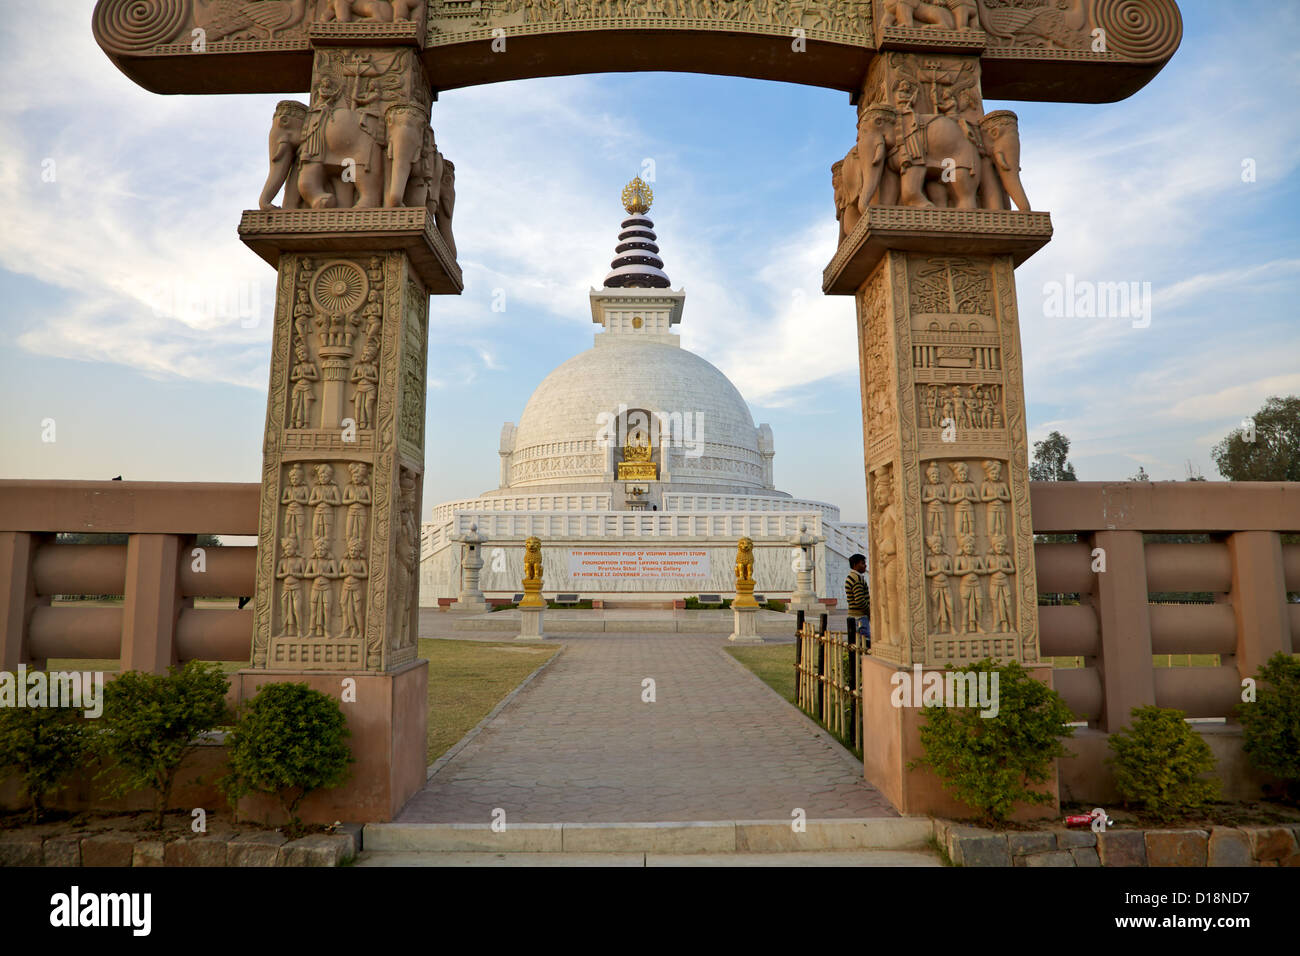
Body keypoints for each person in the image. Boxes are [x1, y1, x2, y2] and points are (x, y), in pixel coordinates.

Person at [845, 553, 871, 627]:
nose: (865, 566)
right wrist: (869, 612)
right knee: (865, 638)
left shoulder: (851, 577)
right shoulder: (857, 579)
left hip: (853, 615)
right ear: (854, 565)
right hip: (859, 616)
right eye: (862, 563)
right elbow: (860, 600)